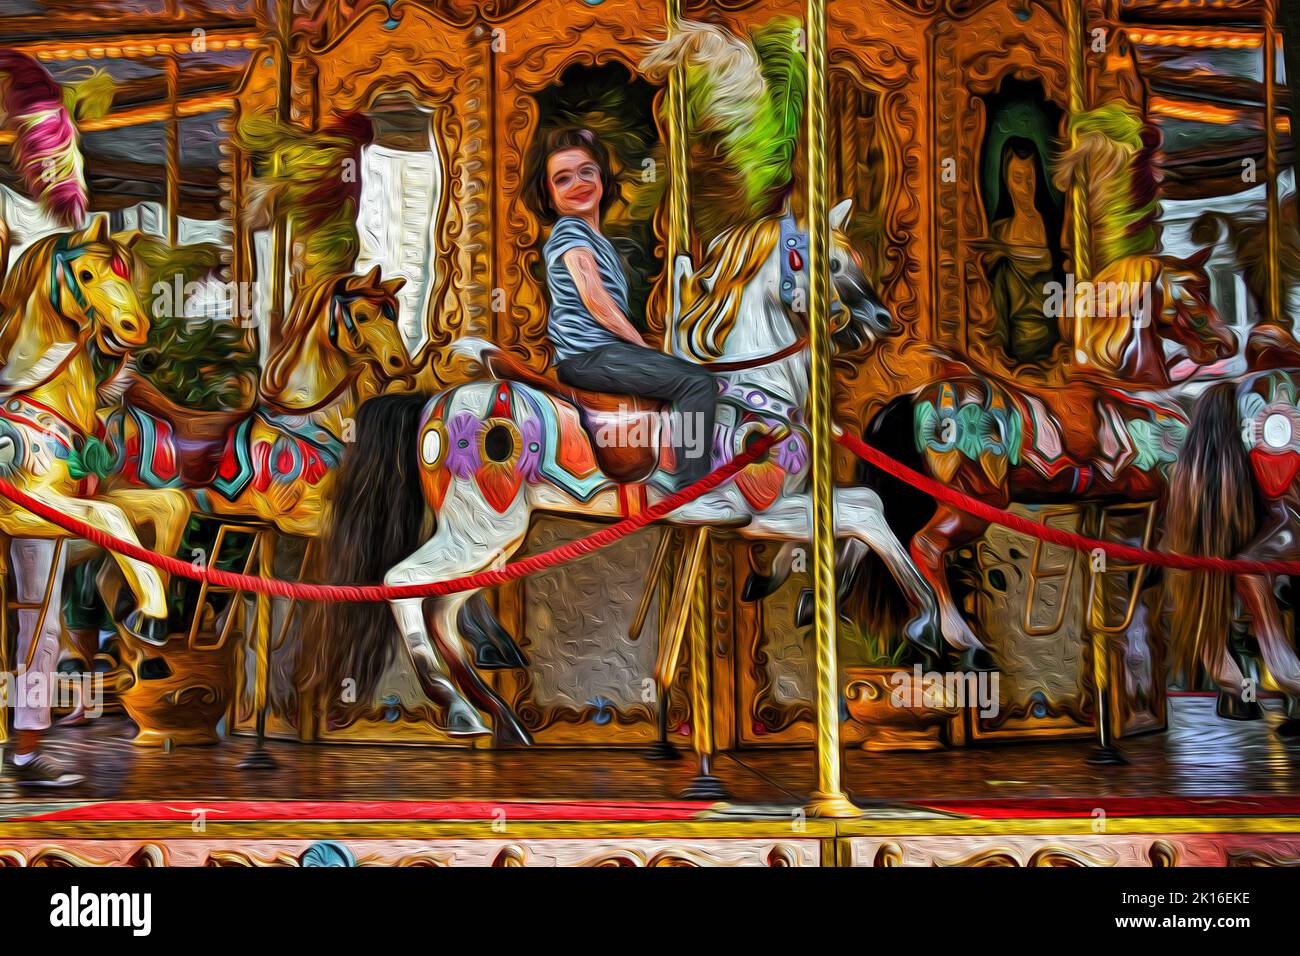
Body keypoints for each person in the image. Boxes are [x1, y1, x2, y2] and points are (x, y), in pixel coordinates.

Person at [522, 127, 716, 487]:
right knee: (696, 382)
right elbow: (596, 301)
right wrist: (639, 345)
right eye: (563, 179)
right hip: (589, 356)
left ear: (601, 177)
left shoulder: (597, 239)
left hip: (600, 354)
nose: (578, 182)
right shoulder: (569, 233)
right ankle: (695, 488)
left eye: (586, 171)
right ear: (549, 196)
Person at [982, 137, 1066, 366]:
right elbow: (991, 299)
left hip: (1056, 343)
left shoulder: (1055, 227)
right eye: (1018, 178)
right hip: (1014, 345)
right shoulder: (998, 232)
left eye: (1031, 177)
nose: (1026, 188)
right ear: (1006, 181)